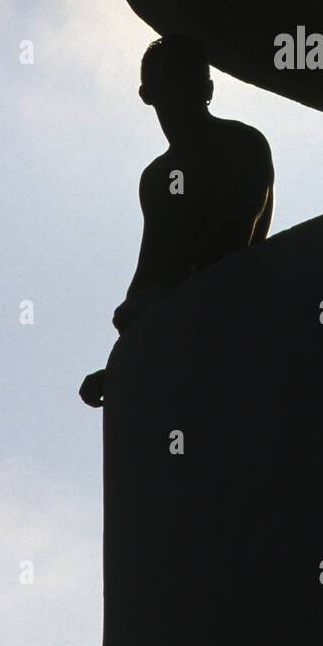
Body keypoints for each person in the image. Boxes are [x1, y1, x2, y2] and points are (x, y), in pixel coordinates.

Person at [79, 35, 274, 406]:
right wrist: (122, 362)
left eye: (187, 81)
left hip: (230, 321)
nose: (179, 94)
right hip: (174, 329)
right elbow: (149, 273)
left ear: (208, 88)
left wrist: (159, 323)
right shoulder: (156, 178)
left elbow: (233, 243)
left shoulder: (241, 143)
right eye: (169, 82)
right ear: (146, 94)